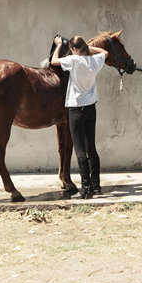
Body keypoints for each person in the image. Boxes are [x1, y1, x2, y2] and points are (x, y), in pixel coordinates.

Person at [51, 35, 108, 199]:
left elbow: (54, 61)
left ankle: (85, 188)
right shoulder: (95, 61)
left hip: (76, 109)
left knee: (80, 149)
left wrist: (59, 45)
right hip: (91, 108)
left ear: (74, 50)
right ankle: (96, 187)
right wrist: (88, 48)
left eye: (71, 49)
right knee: (92, 148)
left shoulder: (74, 61)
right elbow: (105, 52)